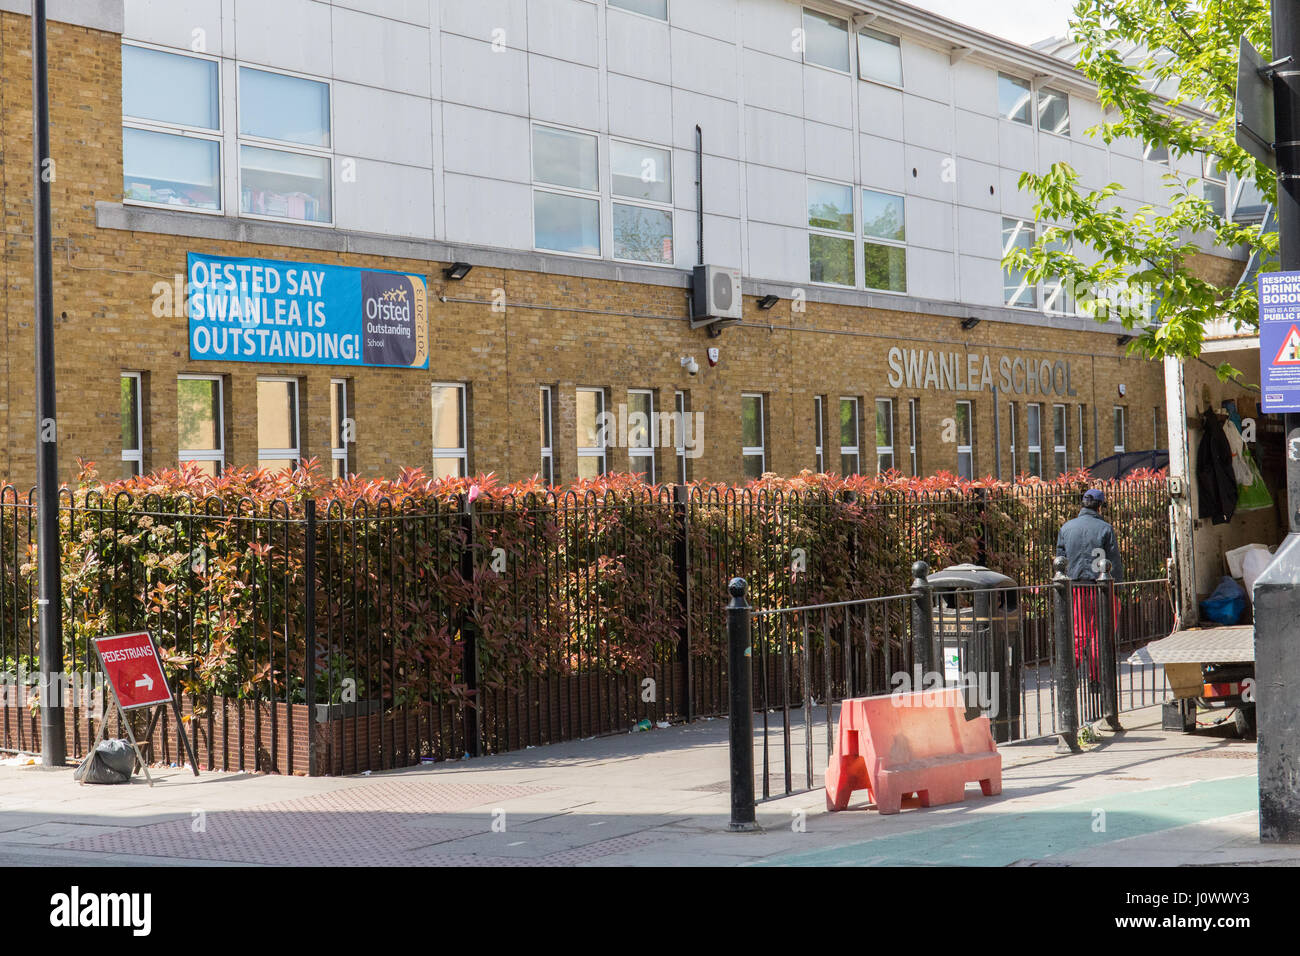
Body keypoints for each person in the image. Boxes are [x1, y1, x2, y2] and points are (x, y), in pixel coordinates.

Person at [1056, 489, 1123, 697]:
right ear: (1100, 506)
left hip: (1076, 588)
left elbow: (1061, 558)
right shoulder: (1105, 528)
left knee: (1078, 634)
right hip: (1100, 588)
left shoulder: (1066, 528)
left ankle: (1070, 676)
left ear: (1082, 505)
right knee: (1100, 634)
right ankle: (1095, 679)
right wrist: (1116, 587)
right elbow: (1114, 561)